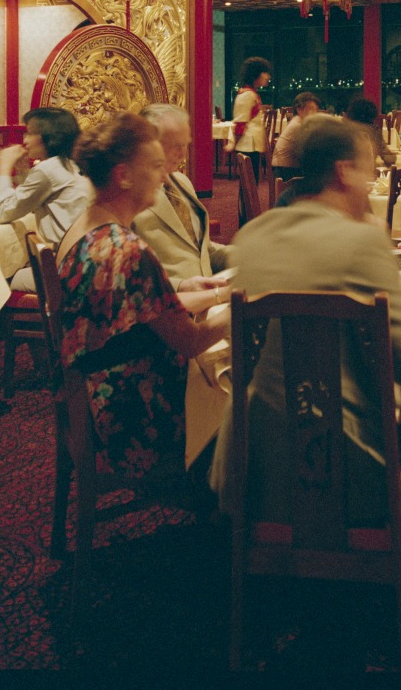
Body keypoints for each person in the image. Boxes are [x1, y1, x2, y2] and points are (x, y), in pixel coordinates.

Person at [210, 116, 401, 525]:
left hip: (256, 474)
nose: (370, 185)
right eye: (368, 173)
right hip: (353, 483)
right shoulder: (363, 244)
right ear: (343, 171)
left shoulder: (253, 238)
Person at [56, 113, 232, 484]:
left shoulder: (84, 227)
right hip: (134, 418)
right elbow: (190, 341)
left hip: (96, 395)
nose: (164, 176)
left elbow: (136, 313)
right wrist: (245, 306)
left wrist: (195, 291)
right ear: (123, 175)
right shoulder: (129, 250)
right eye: (154, 166)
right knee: (250, 402)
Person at [0, 107, 92, 290]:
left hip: (67, 270)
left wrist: (3, 168)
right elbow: (35, 199)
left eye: (30, 134)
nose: (25, 141)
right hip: (85, 260)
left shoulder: (48, 169)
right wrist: (23, 172)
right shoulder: (73, 162)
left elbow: (3, 212)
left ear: (49, 137)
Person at [133, 103, 231, 291]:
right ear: (149, 144)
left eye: (186, 144)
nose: (183, 154)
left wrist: (247, 255)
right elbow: (126, 275)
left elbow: (201, 250)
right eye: (176, 146)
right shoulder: (129, 195)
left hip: (205, 296)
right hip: (167, 302)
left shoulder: (181, 182)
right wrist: (180, 286)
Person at [230, 56, 271, 182]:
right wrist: (234, 143)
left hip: (251, 144)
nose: (267, 76)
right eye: (264, 72)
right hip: (247, 144)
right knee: (249, 182)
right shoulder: (246, 95)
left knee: (251, 181)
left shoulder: (251, 93)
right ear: (256, 74)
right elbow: (240, 123)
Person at [272, 91, 321, 179]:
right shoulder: (298, 126)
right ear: (299, 109)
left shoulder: (298, 121)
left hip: (286, 169)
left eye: (316, 110)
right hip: (285, 173)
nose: (314, 112)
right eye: (311, 108)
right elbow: (307, 152)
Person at [344, 95, 396, 167]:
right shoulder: (374, 130)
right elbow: (389, 158)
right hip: (369, 171)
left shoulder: (345, 130)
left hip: (346, 171)